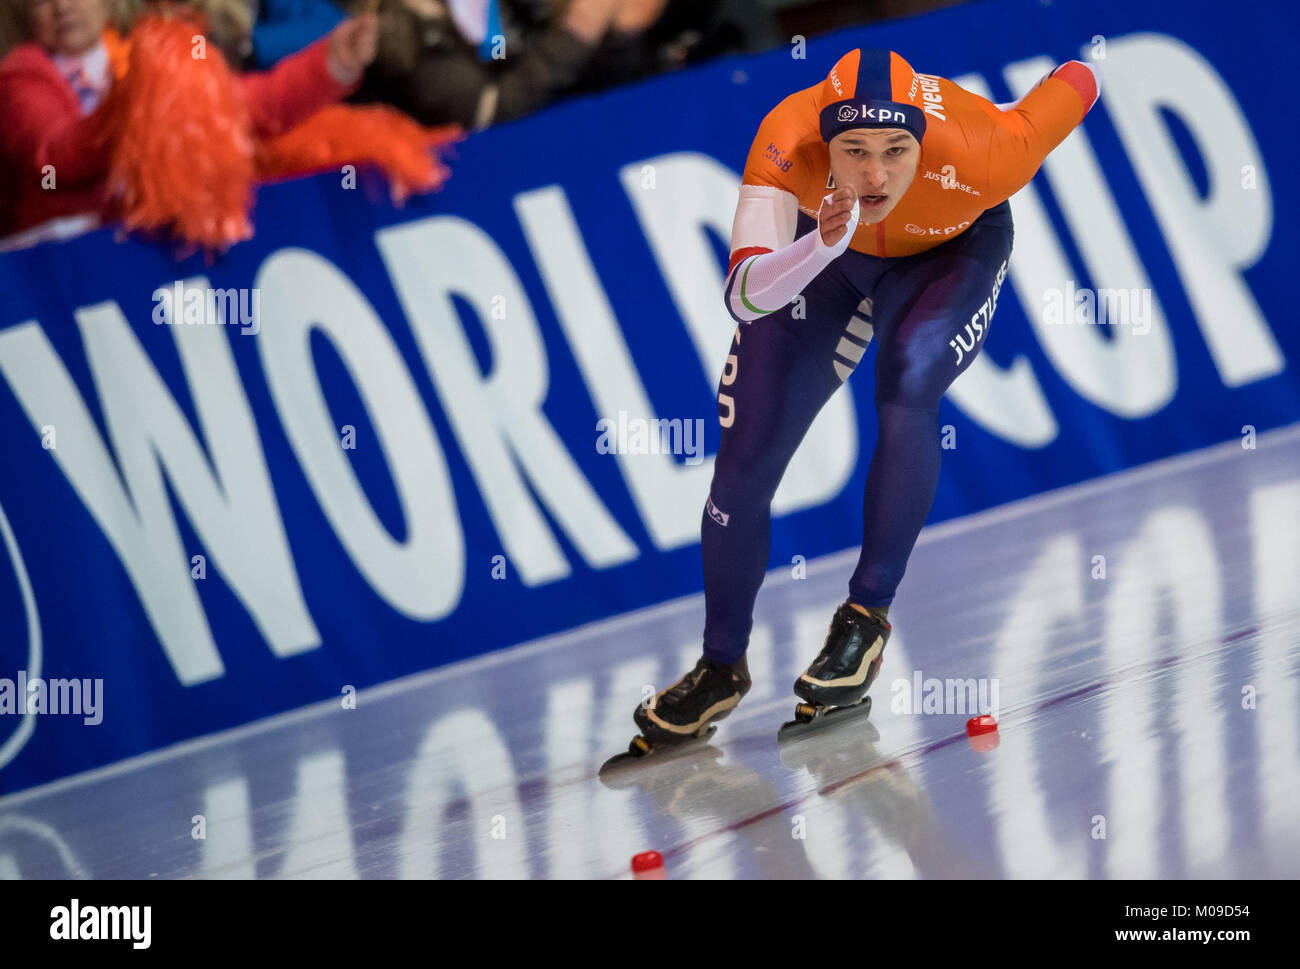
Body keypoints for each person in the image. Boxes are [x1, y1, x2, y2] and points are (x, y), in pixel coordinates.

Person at [633, 47, 1100, 745]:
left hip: (948, 255)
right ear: (825, 142)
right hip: (823, 259)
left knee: (907, 382)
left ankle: (864, 619)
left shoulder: (988, 150)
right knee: (741, 469)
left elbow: (1082, 78)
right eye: (852, 150)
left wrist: (1010, 107)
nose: (876, 174)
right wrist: (820, 246)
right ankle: (720, 664)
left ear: (922, 138)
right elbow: (743, 296)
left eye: (894, 150)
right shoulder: (786, 138)